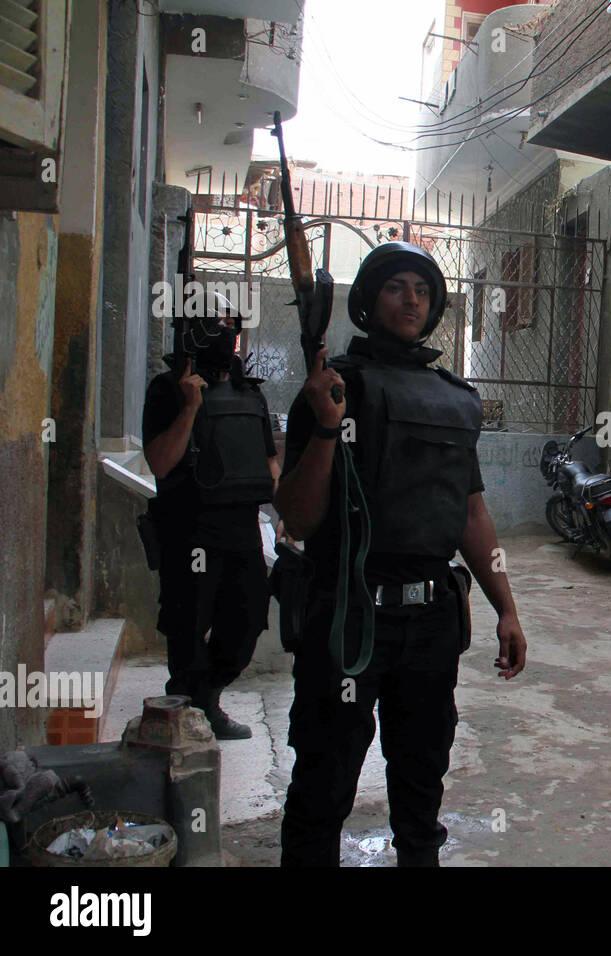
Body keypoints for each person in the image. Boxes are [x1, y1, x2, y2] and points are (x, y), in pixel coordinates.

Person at [275, 241, 527, 867]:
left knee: (420, 790)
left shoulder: (453, 397)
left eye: (421, 288)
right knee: (323, 788)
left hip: (430, 621)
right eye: (395, 287)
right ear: (368, 300)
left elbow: (472, 513)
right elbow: (299, 518)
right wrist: (328, 425)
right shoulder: (332, 389)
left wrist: (508, 609)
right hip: (347, 619)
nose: (410, 299)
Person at [142, 299, 278, 740]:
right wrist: (189, 407)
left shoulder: (248, 393)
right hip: (189, 533)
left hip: (241, 531)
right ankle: (188, 714)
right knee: (186, 627)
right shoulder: (166, 390)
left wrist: (284, 513)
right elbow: (161, 464)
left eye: (229, 326)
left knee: (247, 624)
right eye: (212, 325)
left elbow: (270, 463)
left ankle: (202, 698)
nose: (224, 334)